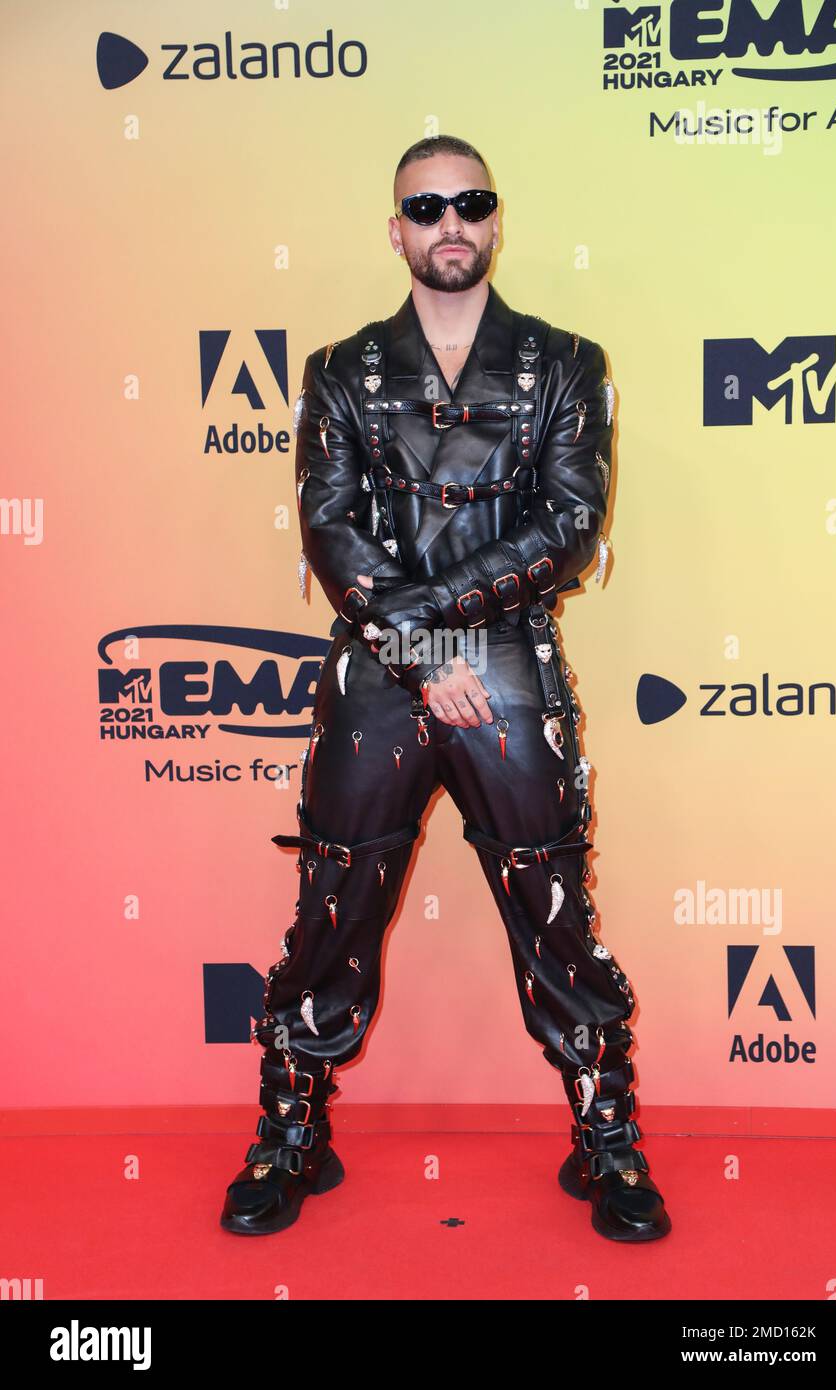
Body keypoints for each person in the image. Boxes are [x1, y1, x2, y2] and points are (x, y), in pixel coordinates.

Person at [220, 134, 671, 1243]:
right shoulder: (337, 369)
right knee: (331, 906)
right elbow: (328, 528)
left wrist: (438, 635)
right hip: (377, 678)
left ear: (497, 218)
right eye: (426, 207)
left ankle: (603, 1135)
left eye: (469, 202)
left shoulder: (566, 361)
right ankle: (290, 1128)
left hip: (509, 667)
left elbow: (566, 526)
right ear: (396, 229)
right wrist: (419, 654)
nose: (449, 223)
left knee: (552, 906)